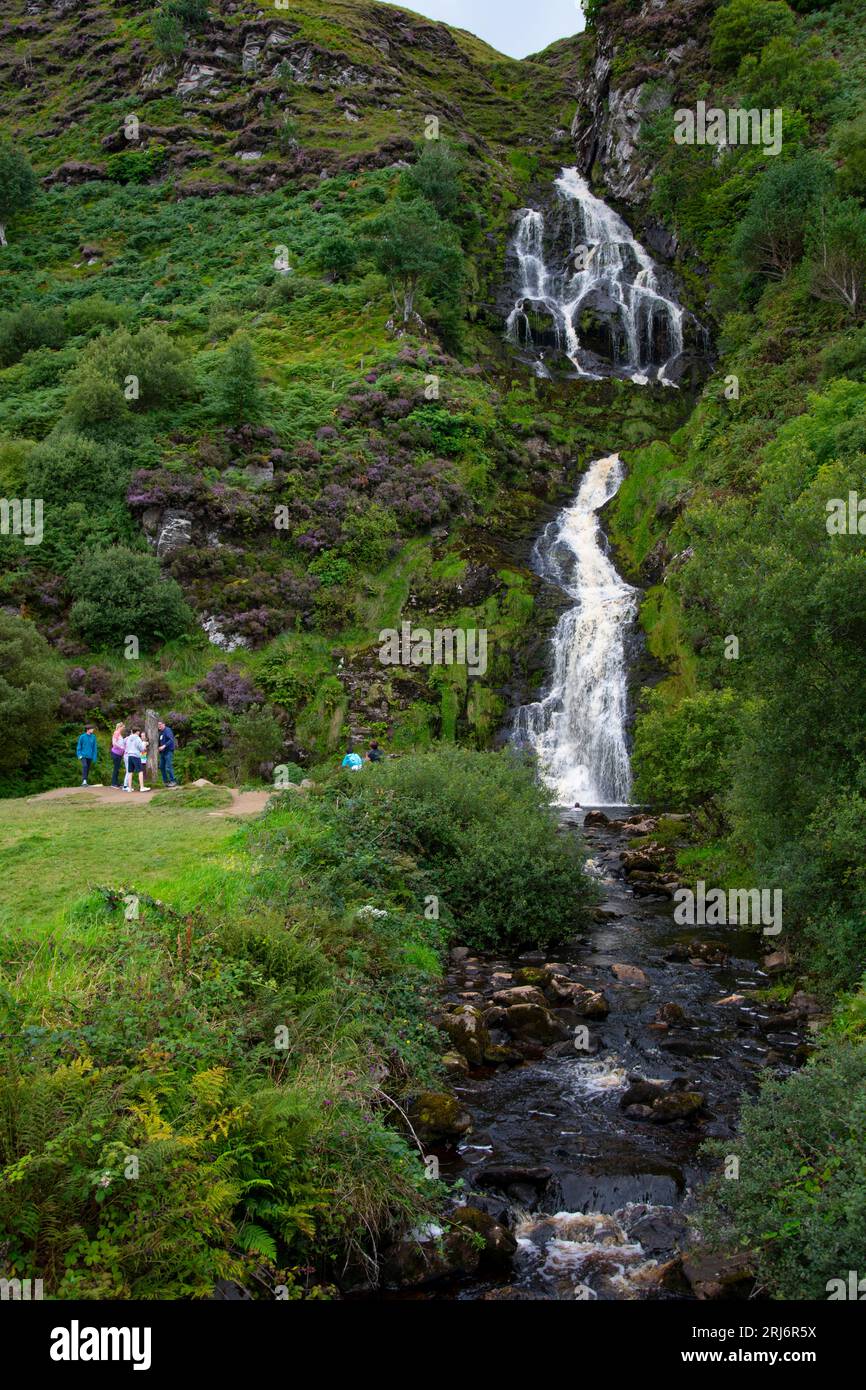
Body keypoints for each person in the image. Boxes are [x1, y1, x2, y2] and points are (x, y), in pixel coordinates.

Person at [123, 727, 150, 793]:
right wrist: (145, 745)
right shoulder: (138, 738)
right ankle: (142, 787)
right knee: (140, 771)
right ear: (137, 732)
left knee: (130, 772)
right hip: (136, 756)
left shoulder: (128, 738)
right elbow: (141, 748)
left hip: (129, 755)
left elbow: (124, 743)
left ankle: (129, 788)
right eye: (139, 732)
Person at [157, 720, 178, 787]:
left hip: (168, 751)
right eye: (158, 725)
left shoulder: (167, 730)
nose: (159, 726)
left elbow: (171, 740)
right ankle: (166, 781)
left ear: (164, 724)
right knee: (161, 767)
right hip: (162, 753)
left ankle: (173, 781)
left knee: (168, 767)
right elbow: (160, 742)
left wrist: (164, 746)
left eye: (160, 724)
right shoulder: (161, 732)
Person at [110, 722, 126, 788]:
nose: (123, 729)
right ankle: (113, 783)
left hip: (119, 754)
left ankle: (116, 782)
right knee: (116, 768)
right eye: (123, 727)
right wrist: (121, 747)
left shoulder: (119, 734)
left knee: (117, 768)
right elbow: (114, 743)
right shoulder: (116, 733)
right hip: (115, 753)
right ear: (120, 727)